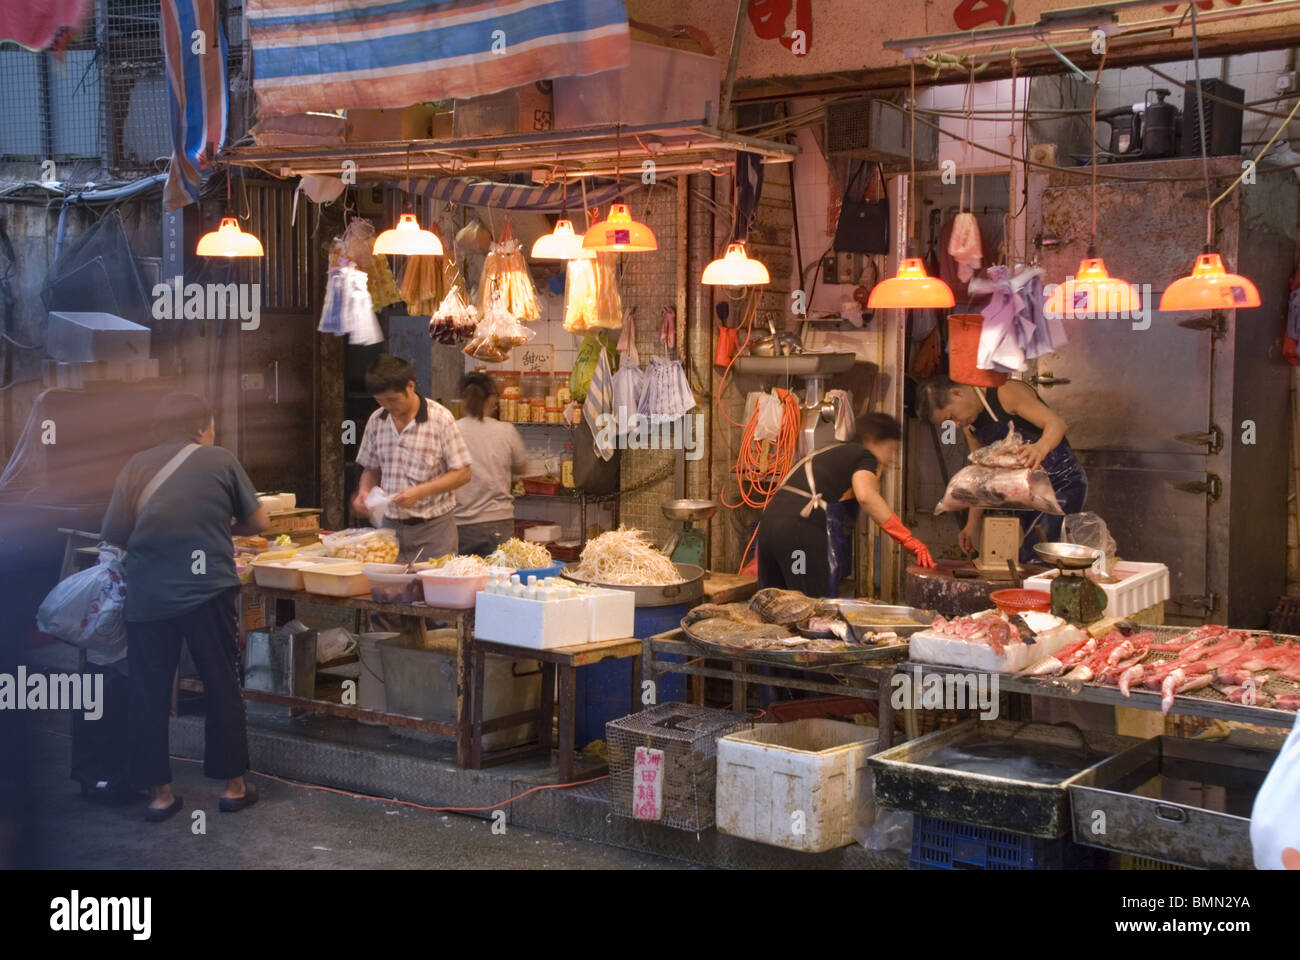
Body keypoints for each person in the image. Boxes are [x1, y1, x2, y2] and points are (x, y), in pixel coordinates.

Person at [101, 393, 269, 822]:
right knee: (221, 685)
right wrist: (215, 521)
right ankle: (233, 787)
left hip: (148, 597)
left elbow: (115, 531)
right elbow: (260, 524)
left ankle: (159, 795)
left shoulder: (135, 465)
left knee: (148, 692)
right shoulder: (220, 459)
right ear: (201, 426)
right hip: (208, 592)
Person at [757, 413, 935, 598]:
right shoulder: (865, 456)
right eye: (891, 449)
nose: (891, 457)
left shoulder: (827, 453)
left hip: (768, 528)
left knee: (773, 604)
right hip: (799, 530)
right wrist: (907, 539)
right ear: (872, 440)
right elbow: (866, 496)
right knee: (812, 606)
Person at [917, 375, 1087, 562]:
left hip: (1061, 484)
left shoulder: (1005, 393)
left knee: (1043, 557)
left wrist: (1040, 447)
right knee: (1029, 558)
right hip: (1026, 494)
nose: (956, 424)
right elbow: (980, 474)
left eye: (951, 417)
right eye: (949, 423)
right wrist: (971, 524)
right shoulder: (970, 425)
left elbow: (1056, 423)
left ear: (956, 393)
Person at [351, 354, 472, 561]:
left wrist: (420, 492)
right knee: (391, 590)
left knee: (435, 592)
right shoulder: (376, 420)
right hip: (389, 528)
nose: (387, 406)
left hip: (434, 530)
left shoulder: (440, 418)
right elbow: (371, 468)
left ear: (410, 387)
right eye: (380, 400)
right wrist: (364, 492)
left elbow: (463, 473)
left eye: (392, 399)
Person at [454, 373, 529, 557]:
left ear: (462, 400)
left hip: (460, 523)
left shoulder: (451, 429)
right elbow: (522, 467)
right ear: (492, 399)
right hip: (498, 521)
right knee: (499, 580)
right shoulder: (505, 431)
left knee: (463, 578)